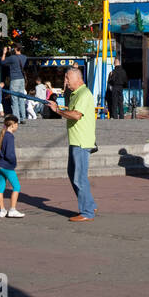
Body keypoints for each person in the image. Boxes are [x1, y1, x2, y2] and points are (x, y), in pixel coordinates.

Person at [47, 66, 96, 221]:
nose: (65, 81)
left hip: (81, 142)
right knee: (73, 173)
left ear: (77, 78)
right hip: (75, 140)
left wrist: (58, 111)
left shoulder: (83, 93)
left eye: (68, 78)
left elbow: (76, 115)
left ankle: (87, 211)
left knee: (79, 177)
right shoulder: (75, 94)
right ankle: (89, 203)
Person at [0, 115, 25, 218]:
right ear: (13, 125)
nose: (17, 126)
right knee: (16, 186)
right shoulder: (10, 136)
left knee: (1, 187)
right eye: (17, 124)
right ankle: (12, 209)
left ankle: (2, 210)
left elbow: (0, 151)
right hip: (7, 166)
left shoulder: (4, 134)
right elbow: (10, 154)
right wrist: (13, 162)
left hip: (0, 165)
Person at [4, 45, 28, 123]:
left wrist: (4, 53)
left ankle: (16, 118)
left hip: (15, 79)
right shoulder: (24, 57)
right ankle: (23, 118)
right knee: (21, 98)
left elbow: (2, 62)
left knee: (14, 99)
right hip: (22, 79)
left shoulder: (12, 57)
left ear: (16, 49)